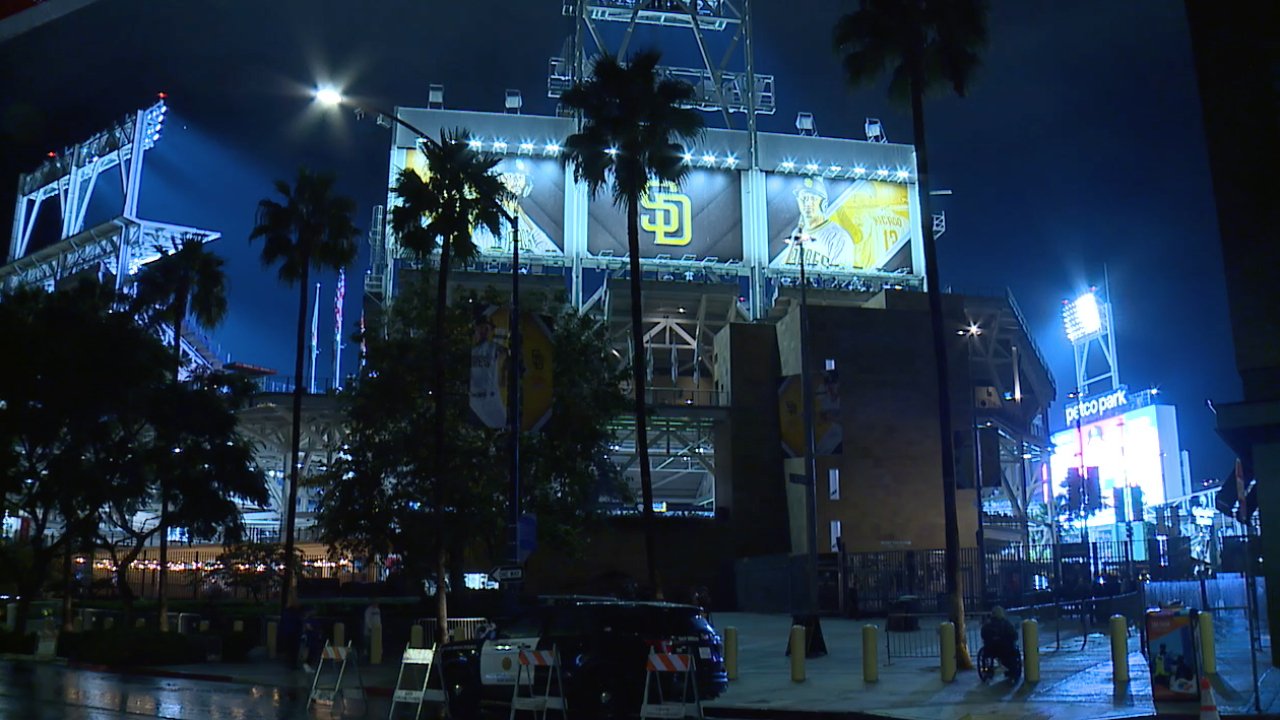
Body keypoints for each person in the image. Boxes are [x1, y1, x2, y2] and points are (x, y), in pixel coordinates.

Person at [769, 176, 857, 269]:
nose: (807, 203)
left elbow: (841, 276)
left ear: (823, 204)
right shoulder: (797, 232)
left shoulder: (838, 238)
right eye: (804, 198)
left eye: (813, 198)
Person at [469, 316, 509, 428]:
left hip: (492, 398)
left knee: (504, 428)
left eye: (488, 329)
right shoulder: (470, 349)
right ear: (476, 329)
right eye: (482, 328)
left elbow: (507, 354)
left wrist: (503, 373)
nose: (485, 331)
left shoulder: (492, 347)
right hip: (473, 400)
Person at [980, 606, 1020, 679]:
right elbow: (1013, 635)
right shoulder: (1006, 623)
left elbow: (983, 635)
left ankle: (989, 672)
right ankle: (1013, 671)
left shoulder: (987, 625)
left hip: (990, 649)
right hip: (1005, 649)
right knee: (1011, 653)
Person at [280, 601, 303, 670]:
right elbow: (297, 623)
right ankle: (293, 664)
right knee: (294, 649)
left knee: (291, 649)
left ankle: (291, 663)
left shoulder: (288, 613)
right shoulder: (294, 613)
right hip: (294, 633)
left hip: (290, 633)